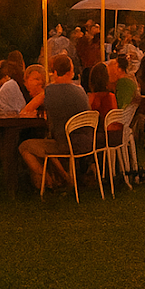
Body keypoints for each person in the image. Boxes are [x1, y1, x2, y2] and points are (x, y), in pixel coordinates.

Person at [19, 55, 92, 190]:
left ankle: (48, 179)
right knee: (49, 140)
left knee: (24, 146)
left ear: (54, 72)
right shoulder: (81, 90)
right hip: (87, 143)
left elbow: (25, 111)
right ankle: (64, 178)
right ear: (71, 71)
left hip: (65, 145)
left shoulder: (48, 91)